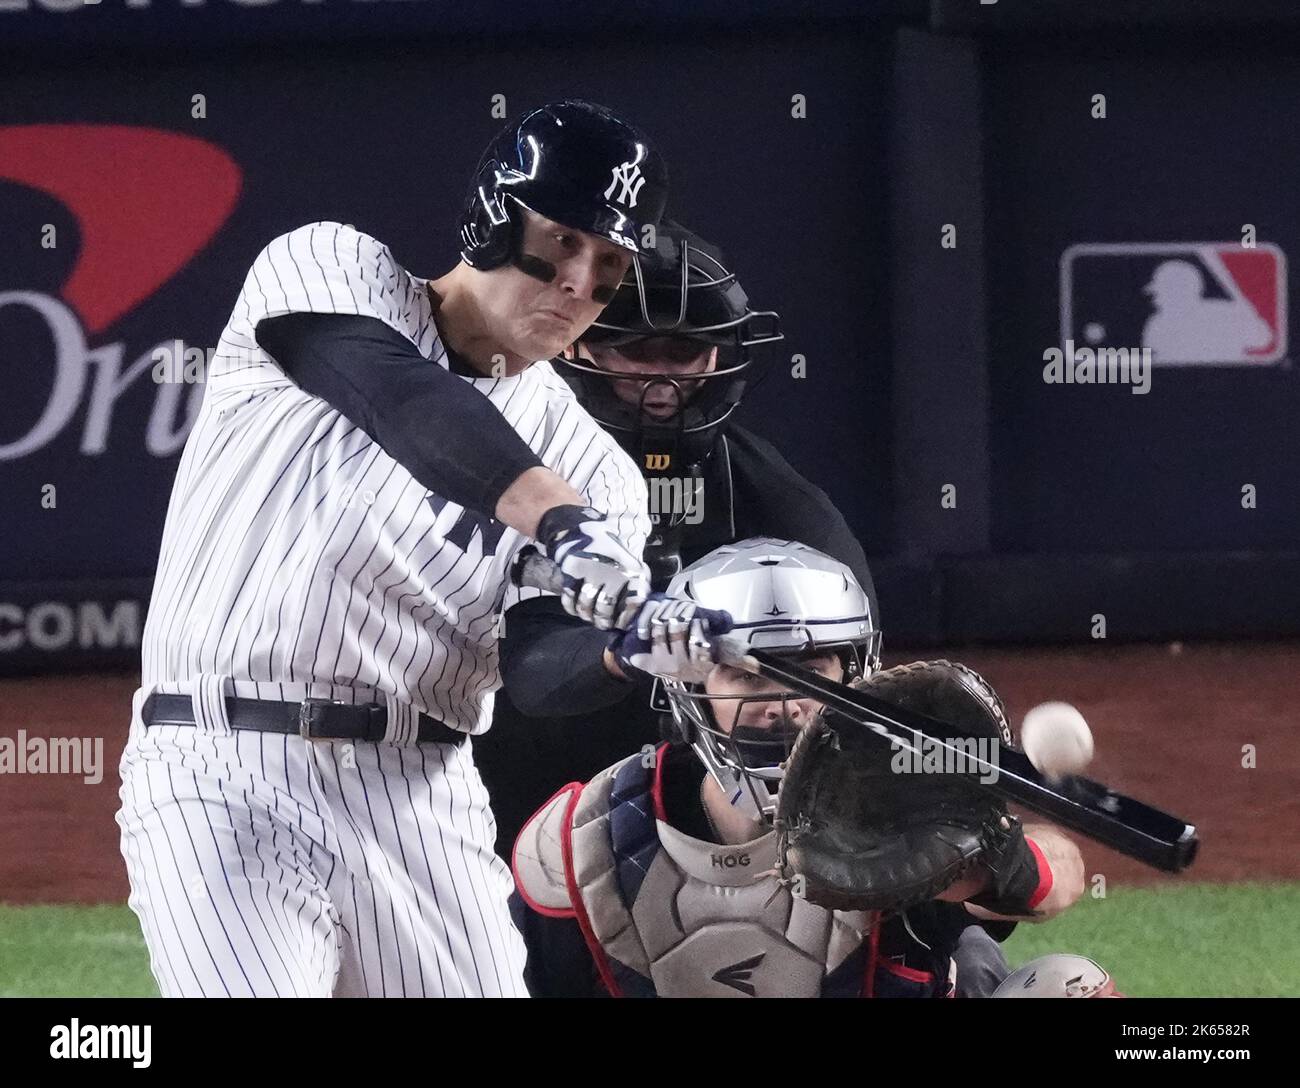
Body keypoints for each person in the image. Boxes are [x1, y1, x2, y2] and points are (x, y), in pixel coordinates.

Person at [114, 100, 733, 998]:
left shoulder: (600, 471)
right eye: (561, 240)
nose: (577, 281)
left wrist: (622, 649)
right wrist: (560, 521)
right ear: (494, 217)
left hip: (421, 794)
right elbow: (408, 400)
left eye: (607, 262)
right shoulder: (327, 267)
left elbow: (537, 668)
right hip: (224, 764)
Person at [511, 539, 1087, 998]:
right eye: (748, 675)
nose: (783, 703)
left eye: (809, 670)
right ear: (691, 686)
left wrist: (984, 870)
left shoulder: (900, 811)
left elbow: (1061, 877)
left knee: (1062, 985)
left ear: (854, 678)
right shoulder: (584, 841)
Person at [477, 221, 874, 854]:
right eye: (635, 349)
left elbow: (850, 689)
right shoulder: (498, 470)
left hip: (709, 809)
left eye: (684, 351)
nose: (661, 385)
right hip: (507, 789)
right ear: (577, 342)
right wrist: (627, 654)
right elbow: (526, 668)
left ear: (720, 354)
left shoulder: (783, 506)